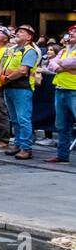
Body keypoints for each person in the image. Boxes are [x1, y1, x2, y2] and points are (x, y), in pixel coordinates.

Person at [0, 24, 42, 161]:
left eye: (21, 32)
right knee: (15, 119)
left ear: (29, 37)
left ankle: (26, 148)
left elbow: (23, 70)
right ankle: (18, 144)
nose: (17, 33)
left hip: (22, 89)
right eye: (17, 32)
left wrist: (5, 78)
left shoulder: (30, 51)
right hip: (9, 87)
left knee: (23, 119)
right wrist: (1, 76)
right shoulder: (12, 50)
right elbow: (0, 65)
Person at [46, 25, 76, 165]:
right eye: (70, 32)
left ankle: (63, 154)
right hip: (61, 88)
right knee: (62, 125)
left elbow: (73, 62)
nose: (71, 34)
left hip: (74, 90)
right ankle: (62, 155)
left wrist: (59, 65)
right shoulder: (63, 50)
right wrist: (64, 67)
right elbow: (50, 64)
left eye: (74, 32)